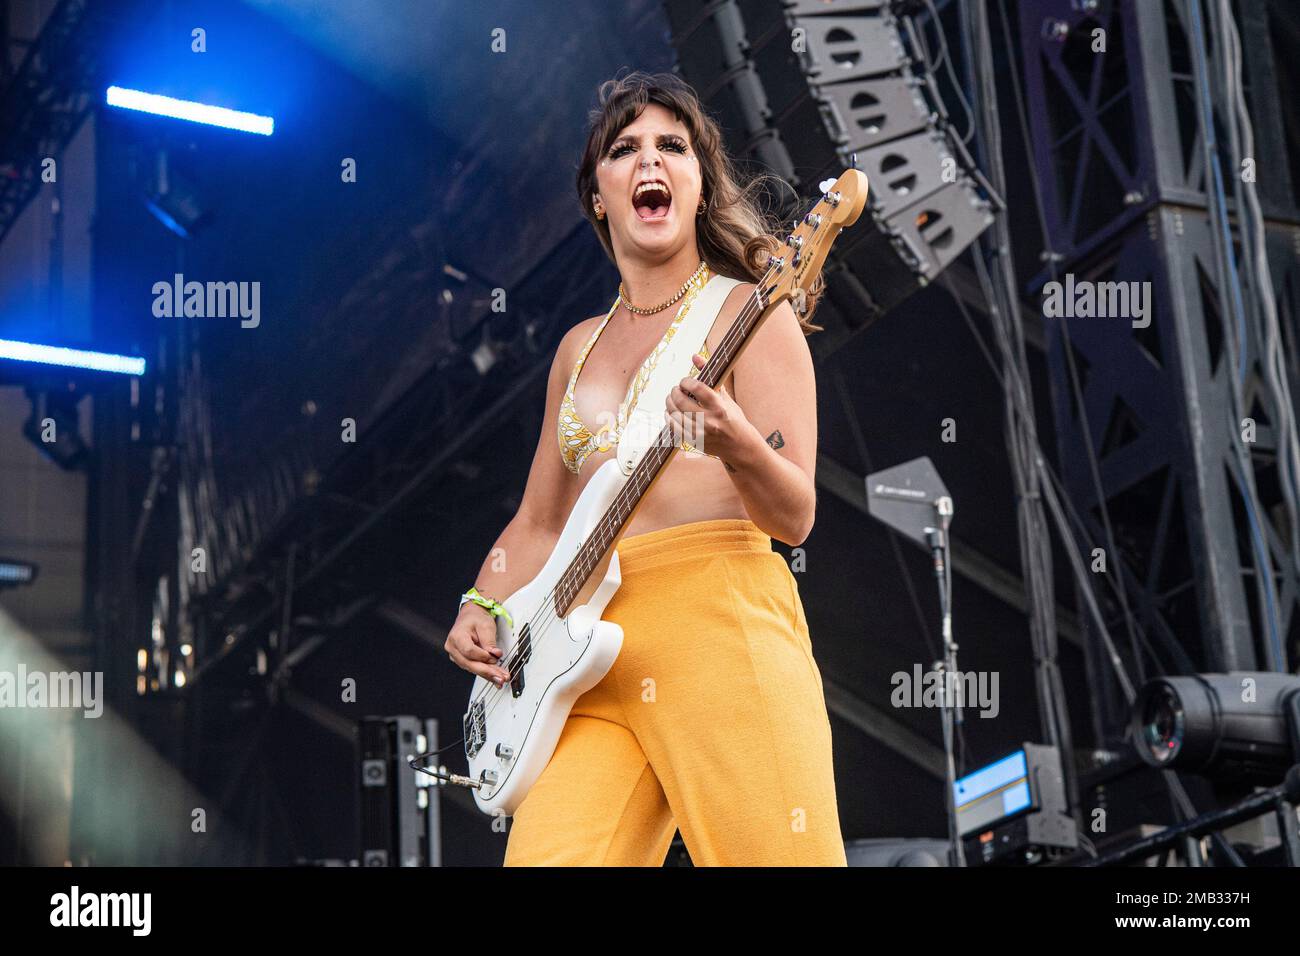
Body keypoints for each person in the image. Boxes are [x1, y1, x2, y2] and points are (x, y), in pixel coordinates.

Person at [444, 70, 846, 866]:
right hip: (583, 659)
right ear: (600, 195)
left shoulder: (752, 311)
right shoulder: (576, 348)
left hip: (718, 621)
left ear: (699, 185)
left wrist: (733, 439)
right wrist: (481, 598)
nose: (649, 161)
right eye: (625, 149)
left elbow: (794, 513)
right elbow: (540, 520)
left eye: (673, 146)